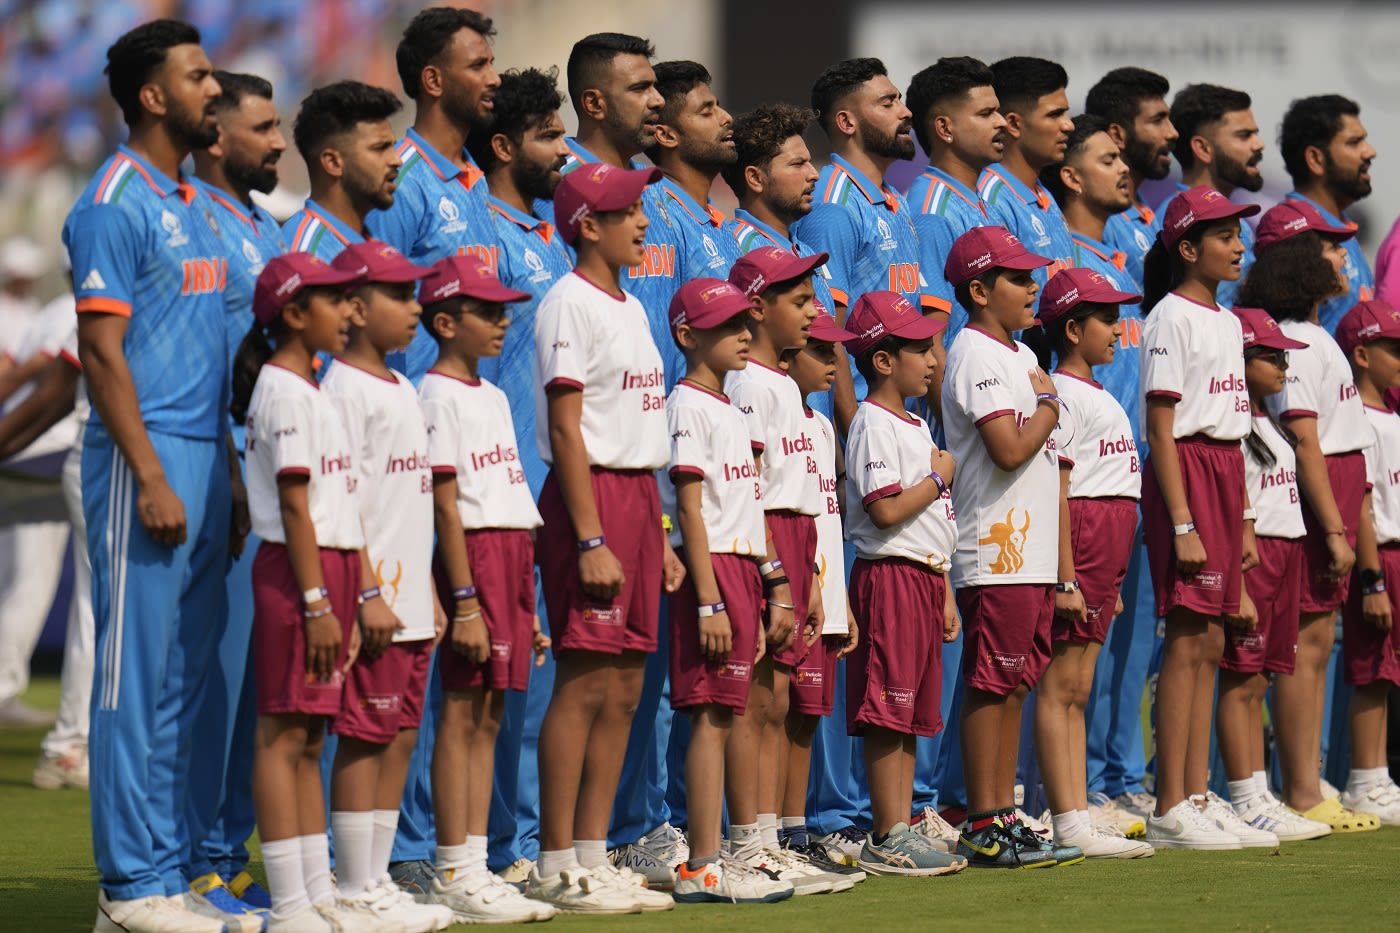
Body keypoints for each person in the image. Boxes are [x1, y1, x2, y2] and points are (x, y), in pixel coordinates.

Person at [63, 20, 250, 933]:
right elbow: (101, 354)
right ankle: (127, 887)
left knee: (188, 678)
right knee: (133, 681)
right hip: (149, 456)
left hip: (210, 455)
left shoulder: (198, 203)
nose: (213, 89)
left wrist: (233, 480)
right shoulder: (112, 200)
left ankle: (169, 873)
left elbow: (215, 350)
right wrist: (148, 474)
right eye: (199, 76)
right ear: (152, 95)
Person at [524, 163, 679, 915]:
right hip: (592, 501)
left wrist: (661, 533)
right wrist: (589, 536)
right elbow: (565, 425)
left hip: (640, 497)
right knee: (585, 680)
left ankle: (593, 852)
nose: (644, 221)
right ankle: (556, 859)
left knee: (625, 688)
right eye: (629, 210)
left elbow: (637, 422)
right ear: (587, 224)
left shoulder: (632, 305)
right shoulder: (567, 302)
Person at [232, 252, 374, 933]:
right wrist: (318, 604)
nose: (351, 311)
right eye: (334, 300)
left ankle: (317, 893)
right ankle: (290, 902)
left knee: (310, 734)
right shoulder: (284, 391)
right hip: (301, 574)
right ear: (293, 313)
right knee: (282, 731)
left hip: (329, 570)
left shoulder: (308, 388)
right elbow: (294, 509)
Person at [318, 242, 458, 933]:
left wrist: (428, 590)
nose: (415, 309)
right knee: (363, 737)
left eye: (416, 295)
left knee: (400, 733)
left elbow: (414, 500)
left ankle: (374, 879)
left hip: (411, 597)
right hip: (370, 598)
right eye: (399, 296)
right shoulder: (341, 389)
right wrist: (369, 590)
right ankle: (352, 883)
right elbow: (342, 501)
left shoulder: (403, 387)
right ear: (354, 306)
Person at [414, 254, 557, 923]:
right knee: (463, 712)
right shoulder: (434, 395)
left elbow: (507, 489)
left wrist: (521, 597)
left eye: (504, 310)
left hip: (508, 557)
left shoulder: (493, 394)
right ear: (445, 321)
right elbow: (445, 506)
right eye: (487, 312)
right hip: (471, 558)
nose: (504, 322)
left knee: (494, 714)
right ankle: (454, 865)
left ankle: (474, 861)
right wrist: (465, 600)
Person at [1236, 202, 1380, 832]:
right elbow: (1306, 442)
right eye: (1327, 247)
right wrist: (1332, 527)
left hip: (1342, 492)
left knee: (1318, 644)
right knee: (1305, 643)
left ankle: (1308, 775)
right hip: (1319, 501)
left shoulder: (1320, 338)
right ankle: (1298, 784)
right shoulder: (1293, 340)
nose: (1342, 257)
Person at [1137, 186, 1272, 850]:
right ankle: (1170, 803)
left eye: (1240, 233)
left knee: (1213, 640)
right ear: (1188, 249)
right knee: (1187, 639)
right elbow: (1161, 429)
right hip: (1187, 473)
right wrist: (1185, 521)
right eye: (1225, 235)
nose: (1239, 243)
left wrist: (1243, 516)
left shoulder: (1228, 319)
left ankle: (1197, 792)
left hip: (1223, 474)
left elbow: (1237, 427)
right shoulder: (1169, 316)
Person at [464, 64, 573, 883]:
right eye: (548, 136)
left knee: (547, 669)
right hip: (502, 481)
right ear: (504, 145)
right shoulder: (485, 233)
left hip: (557, 475)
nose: (562, 150)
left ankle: (536, 844)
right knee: (503, 680)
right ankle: (503, 850)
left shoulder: (555, 233)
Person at [188, 68, 289, 912]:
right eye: (263, 128)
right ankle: (191, 864)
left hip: (267, 481)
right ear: (217, 135)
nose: (278, 142)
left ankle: (228, 852)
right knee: (209, 685)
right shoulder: (197, 226)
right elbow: (203, 375)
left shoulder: (261, 225)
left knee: (255, 685)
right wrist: (223, 474)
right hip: (221, 486)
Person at [940, 226, 1069, 870]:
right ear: (980, 289)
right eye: (1018, 279)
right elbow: (1010, 447)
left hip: (1029, 547)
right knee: (992, 682)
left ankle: (1002, 812)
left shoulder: (1015, 352)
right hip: (996, 548)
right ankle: (981, 817)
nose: (1032, 287)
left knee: (1015, 680)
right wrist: (1048, 403)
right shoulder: (975, 352)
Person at [661, 277, 794, 905]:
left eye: (747, 322)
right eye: (727, 326)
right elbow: (690, 510)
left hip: (742, 571)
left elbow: (751, 504)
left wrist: (774, 584)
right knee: (709, 719)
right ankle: (703, 862)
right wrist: (710, 600)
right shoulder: (686, 404)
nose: (745, 334)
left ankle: (719, 858)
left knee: (727, 712)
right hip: (712, 571)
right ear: (689, 337)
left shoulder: (730, 409)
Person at [722, 247, 850, 896]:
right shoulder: (749, 382)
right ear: (757, 308)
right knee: (755, 699)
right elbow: (753, 488)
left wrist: (814, 583)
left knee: (776, 704)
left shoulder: (787, 389)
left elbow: (805, 497)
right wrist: (776, 578)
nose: (813, 314)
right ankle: (746, 842)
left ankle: (770, 840)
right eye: (799, 302)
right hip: (764, 543)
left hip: (797, 547)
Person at [842, 290, 967, 877]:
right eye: (920, 348)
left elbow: (928, 531)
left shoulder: (914, 422)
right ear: (884, 360)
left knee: (912, 711)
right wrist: (939, 478)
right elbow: (887, 511)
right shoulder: (872, 421)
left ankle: (903, 825)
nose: (933, 359)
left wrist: (942, 590)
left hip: (921, 578)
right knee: (886, 708)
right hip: (888, 578)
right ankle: (886, 831)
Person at [1032, 268, 1154, 860]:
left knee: (1080, 686)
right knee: (1062, 686)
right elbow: (1058, 490)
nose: (1118, 329)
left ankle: (1078, 812)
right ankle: (1067, 820)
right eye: (1107, 319)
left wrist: (1113, 578)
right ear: (1073, 329)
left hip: (1105, 549)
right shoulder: (1061, 393)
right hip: (1078, 544)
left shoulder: (1098, 392)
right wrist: (1066, 576)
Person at [1219, 306, 1332, 843]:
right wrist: (1239, 582)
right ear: (1240, 360)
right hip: (1256, 557)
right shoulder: (1234, 425)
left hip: (1287, 556)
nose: (1284, 365)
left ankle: (1259, 792)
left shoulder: (1270, 421)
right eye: (1271, 355)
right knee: (1241, 678)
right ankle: (1244, 794)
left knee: (1262, 677)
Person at [794, 57, 936, 433]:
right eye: (887, 103)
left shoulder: (896, 199)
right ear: (846, 122)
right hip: (864, 425)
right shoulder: (833, 205)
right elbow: (826, 335)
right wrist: (857, 442)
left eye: (899, 100)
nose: (905, 112)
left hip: (903, 422)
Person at [368, 5, 501, 381]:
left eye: (492, 64)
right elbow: (374, 315)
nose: (494, 79)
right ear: (433, 81)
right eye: (478, 66)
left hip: (477, 415)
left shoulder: (477, 177)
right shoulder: (399, 181)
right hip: (422, 414)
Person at [778, 314, 865, 867]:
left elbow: (828, 515)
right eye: (821, 350)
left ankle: (794, 827)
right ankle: (774, 832)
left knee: (807, 713)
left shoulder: (822, 425)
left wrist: (842, 601)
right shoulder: (777, 410)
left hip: (826, 591)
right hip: (796, 587)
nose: (835, 363)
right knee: (779, 710)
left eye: (838, 352)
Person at [1335, 300, 1400, 824]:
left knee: (1389, 668)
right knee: (1372, 668)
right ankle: (1365, 777)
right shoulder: (1361, 420)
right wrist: (1373, 577)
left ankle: (1380, 776)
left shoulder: (1391, 415)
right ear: (1360, 354)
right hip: (1380, 556)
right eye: (1392, 349)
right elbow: (1362, 504)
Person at [905, 56, 1004, 347]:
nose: (1001, 122)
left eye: (997, 111)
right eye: (986, 114)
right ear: (945, 129)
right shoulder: (931, 211)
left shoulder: (985, 204)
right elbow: (930, 341)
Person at [1279, 95, 1377, 333]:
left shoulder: (1341, 228)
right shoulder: (1296, 234)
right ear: (1315, 158)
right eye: (1354, 143)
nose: (1370, 152)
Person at [282, 81, 403, 262]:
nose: (397, 160)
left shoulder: (377, 242)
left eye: (392, 146)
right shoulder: (304, 256)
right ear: (333, 163)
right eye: (380, 148)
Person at [979, 57, 1076, 284]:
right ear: (1012, 124)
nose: (1069, 125)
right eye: (1055, 114)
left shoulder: (1043, 193)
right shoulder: (990, 199)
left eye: (1066, 113)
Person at [1168, 84, 1265, 308]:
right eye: (1244, 136)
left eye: (1256, 134)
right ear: (1203, 148)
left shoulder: (1241, 222)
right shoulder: (1176, 222)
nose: (1258, 144)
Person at [1084, 67, 1176, 279]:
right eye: (1158, 120)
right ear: (1117, 135)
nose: (1172, 132)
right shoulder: (1101, 219)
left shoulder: (1146, 211)